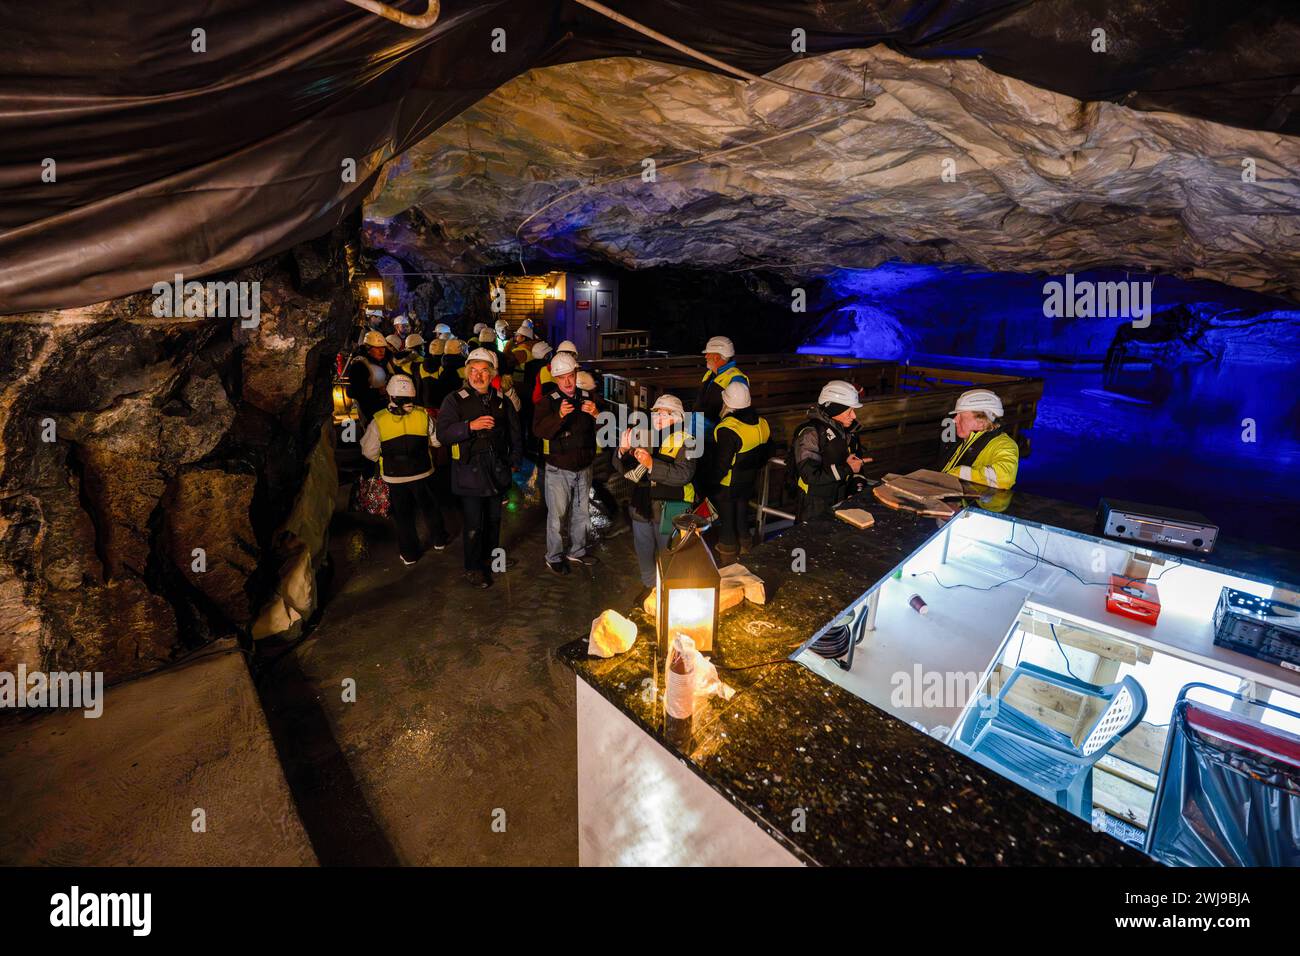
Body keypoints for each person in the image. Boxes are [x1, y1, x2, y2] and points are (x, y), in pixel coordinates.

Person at [435, 347, 522, 588]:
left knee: (494, 520)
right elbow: (442, 434)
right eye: (473, 370)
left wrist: (515, 460)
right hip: (469, 472)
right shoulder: (453, 400)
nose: (478, 375)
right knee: (474, 524)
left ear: (492, 373)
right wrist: (469, 426)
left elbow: (515, 433)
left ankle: (493, 559)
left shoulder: (502, 400)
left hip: (496, 470)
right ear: (467, 372)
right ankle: (473, 568)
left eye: (484, 371)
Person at [612, 393, 697, 606]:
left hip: (670, 508)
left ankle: (669, 590)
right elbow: (627, 470)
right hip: (642, 506)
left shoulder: (689, 441)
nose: (658, 418)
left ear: (677, 417)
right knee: (643, 549)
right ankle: (650, 587)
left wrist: (651, 465)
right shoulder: (646, 436)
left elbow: (683, 475)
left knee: (668, 551)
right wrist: (622, 451)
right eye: (657, 413)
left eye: (664, 414)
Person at [360, 374, 449, 565]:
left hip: (394, 477)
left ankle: (410, 554)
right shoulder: (423, 415)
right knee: (430, 507)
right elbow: (437, 441)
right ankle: (439, 540)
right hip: (423, 472)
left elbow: (369, 452)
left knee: (403, 515)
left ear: (390, 396)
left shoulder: (378, 421)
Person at [532, 353, 600, 574]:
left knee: (582, 513)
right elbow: (539, 430)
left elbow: (605, 428)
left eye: (571, 376)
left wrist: (597, 414)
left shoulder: (587, 396)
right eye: (562, 378)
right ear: (556, 379)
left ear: (576, 374)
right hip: (558, 469)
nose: (568, 382)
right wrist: (559, 416)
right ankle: (553, 556)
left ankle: (577, 551)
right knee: (557, 516)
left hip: (584, 467)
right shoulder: (547, 402)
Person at [707, 381, 770, 564]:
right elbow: (767, 452)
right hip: (748, 482)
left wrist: (708, 485)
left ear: (727, 403)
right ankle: (747, 556)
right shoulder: (762, 424)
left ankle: (728, 564)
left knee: (727, 523)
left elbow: (721, 465)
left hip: (727, 486)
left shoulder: (728, 429)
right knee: (742, 518)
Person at [791, 380, 872, 522]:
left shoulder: (848, 432)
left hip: (841, 498)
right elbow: (810, 475)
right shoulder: (810, 434)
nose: (854, 416)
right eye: (849, 410)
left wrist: (856, 486)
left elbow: (856, 464)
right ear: (835, 409)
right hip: (814, 505)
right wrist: (847, 468)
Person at [940, 389, 1019, 489]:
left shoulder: (1004, 445)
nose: (954, 420)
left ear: (981, 421)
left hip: (974, 504)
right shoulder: (962, 439)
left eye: (961, 416)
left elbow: (1005, 478)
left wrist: (958, 473)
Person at [695, 335, 747, 433]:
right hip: (698, 424)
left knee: (673, 439)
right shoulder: (710, 373)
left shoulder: (736, 380)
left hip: (712, 431)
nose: (705, 357)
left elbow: (736, 417)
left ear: (717, 357)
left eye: (708, 354)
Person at [347, 330, 396, 421]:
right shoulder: (359, 366)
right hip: (369, 411)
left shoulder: (384, 363)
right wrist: (378, 392)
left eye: (383, 348)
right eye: (377, 348)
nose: (381, 351)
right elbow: (354, 392)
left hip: (386, 407)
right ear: (368, 349)